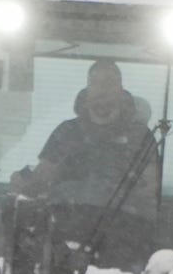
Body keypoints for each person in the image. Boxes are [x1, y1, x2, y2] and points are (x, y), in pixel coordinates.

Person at [14, 59, 156, 212]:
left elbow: (151, 187)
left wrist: (121, 198)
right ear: (88, 89)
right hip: (65, 223)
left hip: (123, 225)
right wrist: (24, 182)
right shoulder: (66, 132)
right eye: (95, 82)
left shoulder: (140, 136)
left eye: (109, 82)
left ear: (120, 89)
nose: (102, 88)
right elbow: (43, 177)